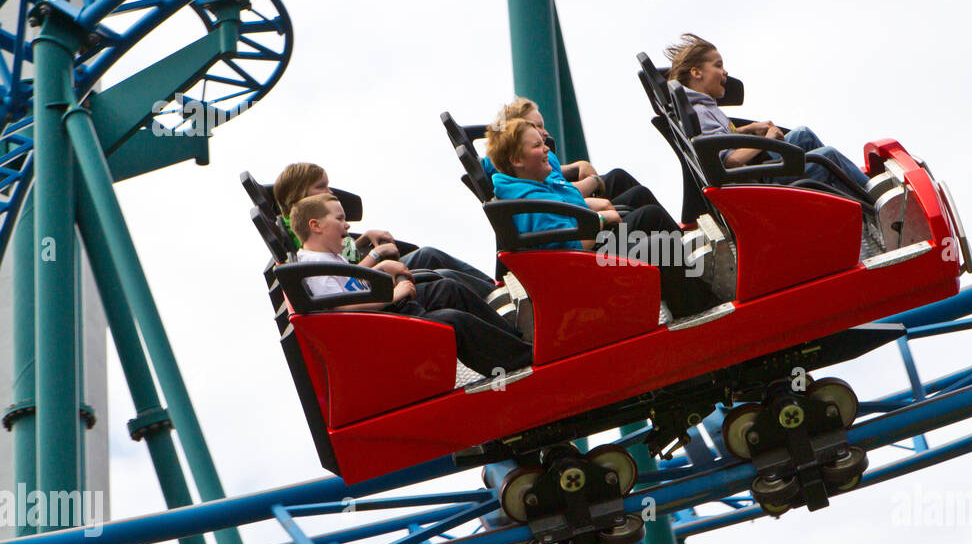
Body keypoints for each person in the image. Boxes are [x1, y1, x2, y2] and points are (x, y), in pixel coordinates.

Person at [486, 118, 716, 319]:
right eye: (537, 145)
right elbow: (571, 246)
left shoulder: (533, 181)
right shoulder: (529, 201)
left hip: (587, 253)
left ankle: (696, 285)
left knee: (649, 215)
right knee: (659, 246)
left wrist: (601, 215)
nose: (546, 149)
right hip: (584, 269)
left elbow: (570, 204)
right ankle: (698, 308)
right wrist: (602, 221)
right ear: (517, 160)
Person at [290, 193, 531, 375]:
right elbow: (342, 309)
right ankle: (523, 360)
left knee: (447, 287)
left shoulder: (326, 256)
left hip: (385, 313)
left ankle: (516, 337)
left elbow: (349, 284)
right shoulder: (313, 268)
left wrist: (382, 268)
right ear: (316, 225)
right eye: (340, 219)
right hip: (381, 331)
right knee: (454, 321)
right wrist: (393, 296)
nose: (347, 226)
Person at [664, 33, 874, 201]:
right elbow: (731, 160)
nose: (725, 72)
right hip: (759, 187)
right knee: (827, 157)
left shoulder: (702, 105)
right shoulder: (701, 112)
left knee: (803, 134)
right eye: (718, 65)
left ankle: (849, 189)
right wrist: (767, 140)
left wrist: (748, 129)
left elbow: (721, 138)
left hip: (754, 173)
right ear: (696, 73)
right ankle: (875, 201)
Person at [274, 162, 497, 298]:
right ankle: (494, 293)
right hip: (367, 285)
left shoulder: (316, 222)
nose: (329, 190)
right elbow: (344, 277)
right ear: (300, 195)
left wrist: (363, 240)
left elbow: (341, 256)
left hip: (367, 275)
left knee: (431, 259)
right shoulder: (303, 229)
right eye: (321, 186)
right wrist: (376, 256)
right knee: (432, 263)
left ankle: (492, 289)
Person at [492, 97, 662, 212]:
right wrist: (593, 183)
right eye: (536, 127)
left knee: (619, 177)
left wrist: (578, 165)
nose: (544, 133)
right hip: (577, 215)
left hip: (573, 204)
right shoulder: (530, 169)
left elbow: (558, 181)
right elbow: (562, 194)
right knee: (644, 206)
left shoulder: (543, 159)